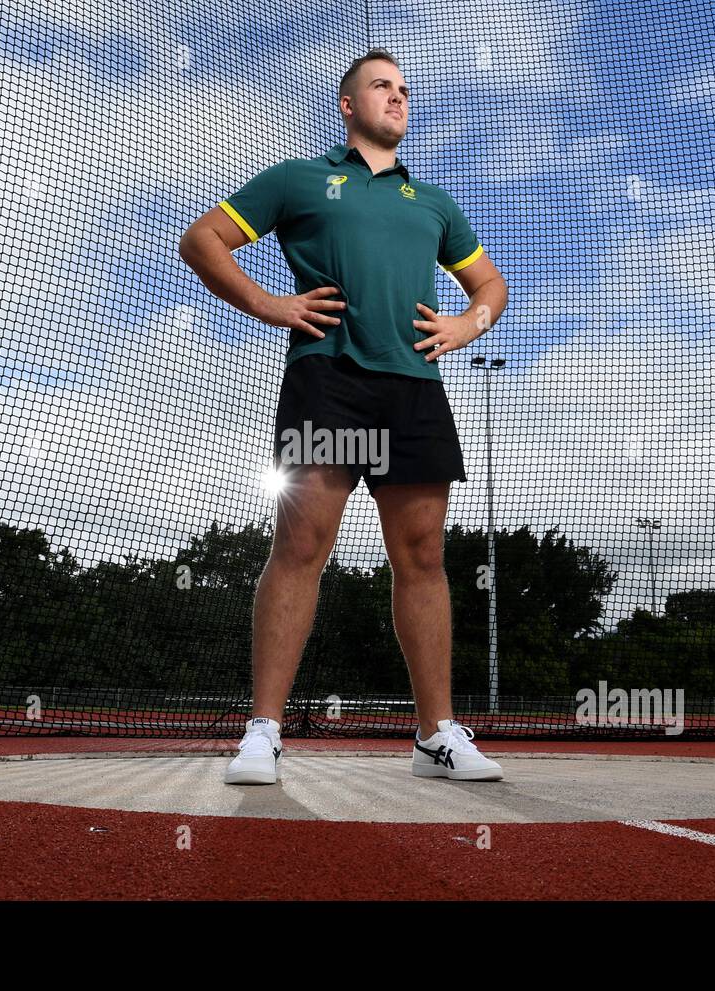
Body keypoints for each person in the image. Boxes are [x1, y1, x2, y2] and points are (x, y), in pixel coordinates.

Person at [179, 48, 509, 785]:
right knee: (303, 544)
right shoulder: (299, 177)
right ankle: (263, 730)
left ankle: (435, 736)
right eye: (382, 86)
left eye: (404, 88)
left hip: (413, 388)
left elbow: (491, 284)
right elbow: (202, 241)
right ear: (347, 105)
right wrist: (270, 305)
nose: (398, 96)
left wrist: (467, 324)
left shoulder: (433, 202)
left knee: (422, 555)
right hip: (328, 379)